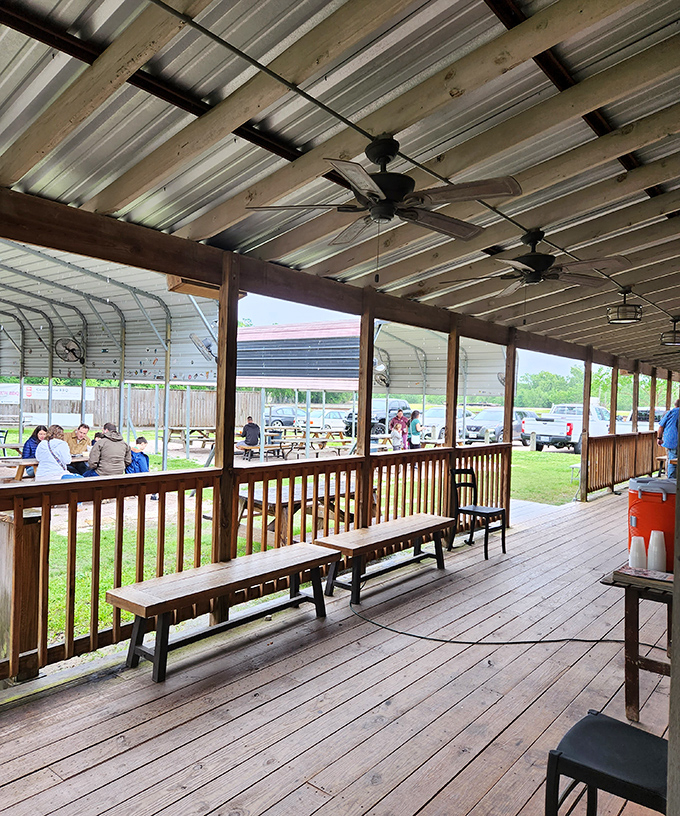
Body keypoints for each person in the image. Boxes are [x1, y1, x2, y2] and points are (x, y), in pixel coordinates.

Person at [658, 399, 680, 478]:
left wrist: (659, 438)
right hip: (675, 441)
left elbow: (661, 427)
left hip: (670, 441)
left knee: (671, 460)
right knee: (673, 460)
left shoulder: (670, 412)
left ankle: (671, 479)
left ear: (675, 405)